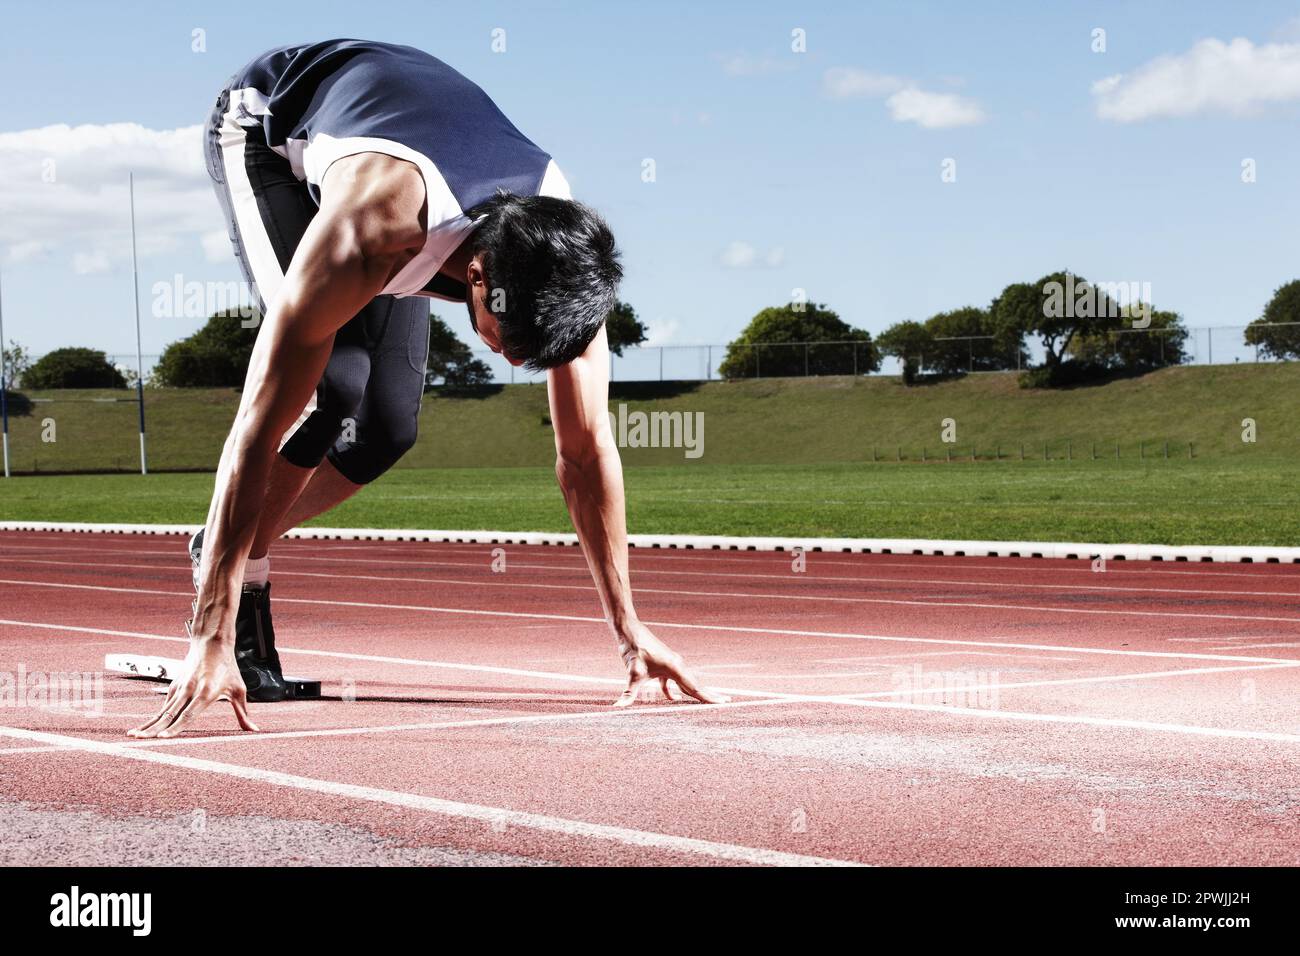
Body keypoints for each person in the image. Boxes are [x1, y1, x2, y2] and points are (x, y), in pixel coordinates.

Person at [129, 39, 724, 738]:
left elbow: (586, 457)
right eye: (507, 341)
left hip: (421, 160)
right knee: (331, 384)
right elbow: (257, 425)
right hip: (266, 129)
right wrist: (210, 632)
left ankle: (221, 545)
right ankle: (237, 578)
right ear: (476, 279)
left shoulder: (564, 267)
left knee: (385, 429)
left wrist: (631, 632)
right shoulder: (371, 230)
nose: (507, 363)